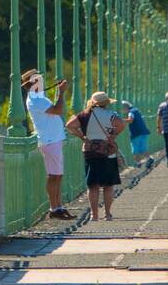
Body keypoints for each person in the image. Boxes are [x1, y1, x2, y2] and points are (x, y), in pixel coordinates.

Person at [22, 69, 76, 221]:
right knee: (54, 176)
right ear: (33, 83)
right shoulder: (36, 100)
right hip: (50, 140)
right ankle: (54, 208)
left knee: (57, 175)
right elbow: (58, 110)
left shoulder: (38, 98)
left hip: (53, 140)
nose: (42, 81)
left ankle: (58, 207)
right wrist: (61, 93)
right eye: (39, 79)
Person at [66, 90, 127, 221]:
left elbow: (70, 126)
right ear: (106, 103)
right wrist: (113, 136)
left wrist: (82, 137)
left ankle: (94, 215)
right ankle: (108, 213)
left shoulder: (84, 115)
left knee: (93, 185)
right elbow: (122, 125)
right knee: (108, 185)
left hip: (90, 152)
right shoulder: (111, 114)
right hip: (107, 152)